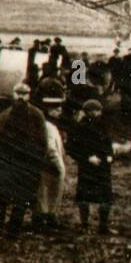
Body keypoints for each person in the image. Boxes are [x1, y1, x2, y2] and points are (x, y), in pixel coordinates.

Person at [0, 82, 49, 237]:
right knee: (1, 196)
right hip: (7, 163)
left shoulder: (37, 115)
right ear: (13, 94)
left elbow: (43, 142)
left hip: (27, 164)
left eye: (24, 94)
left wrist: (36, 162)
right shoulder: (4, 115)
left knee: (22, 198)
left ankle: (13, 230)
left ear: (29, 96)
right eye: (18, 93)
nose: (21, 97)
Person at [68, 99, 115, 234]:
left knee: (105, 196)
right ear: (87, 112)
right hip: (87, 167)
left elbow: (108, 143)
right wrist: (87, 158)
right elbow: (72, 148)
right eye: (93, 111)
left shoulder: (104, 125)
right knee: (85, 196)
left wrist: (110, 156)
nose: (96, 114)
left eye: (98, 111)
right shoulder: (80, 127)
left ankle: (103, 226)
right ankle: (84, 225)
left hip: (103, 166)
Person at [37, 89, 68, 232]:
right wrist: (59, 165)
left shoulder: (51, 125)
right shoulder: (48, 126)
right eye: (57, 108)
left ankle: (48, 217)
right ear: (49, 110)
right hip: (50, 165)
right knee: (48, 191)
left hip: (50, 164)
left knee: (48, 192)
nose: (60, 110)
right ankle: (46, 219)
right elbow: (50, 148)